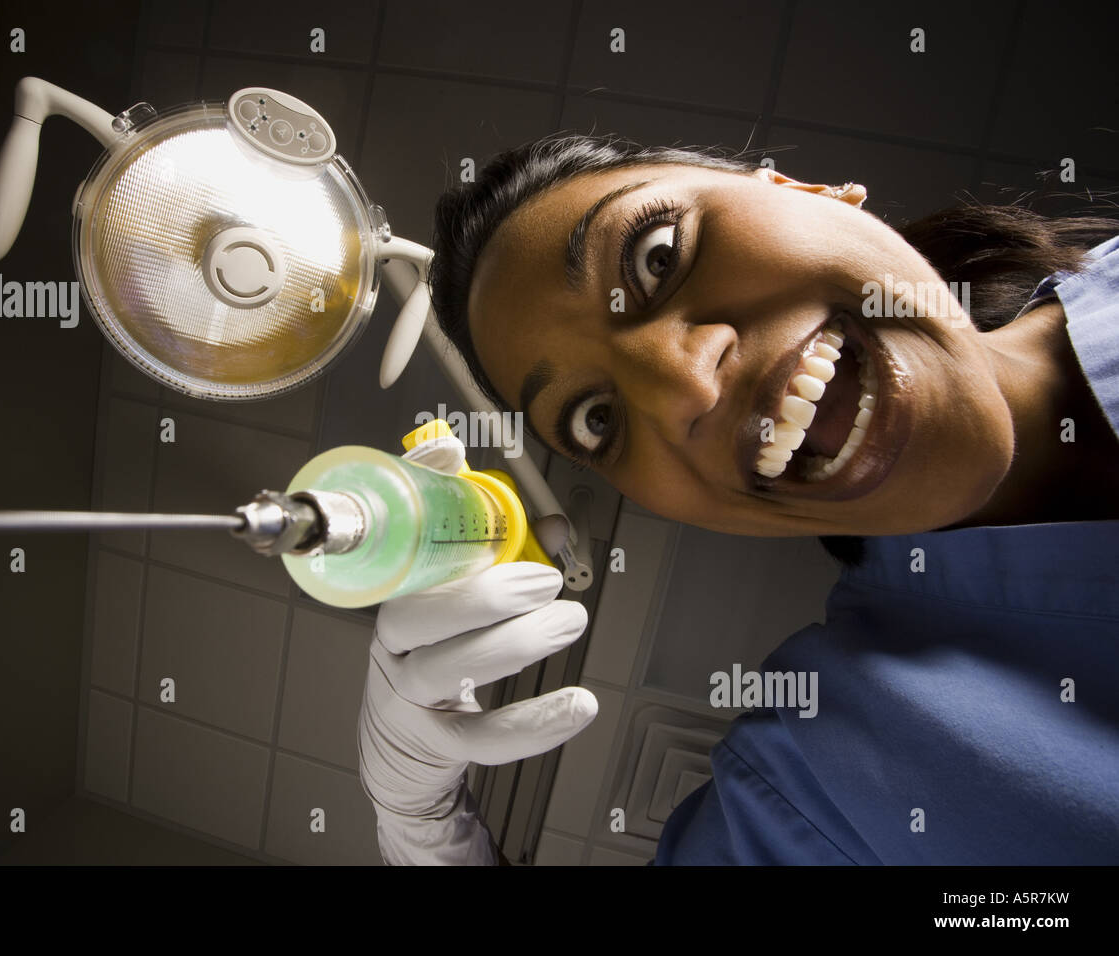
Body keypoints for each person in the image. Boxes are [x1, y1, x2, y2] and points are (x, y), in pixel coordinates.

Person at [357, 134, 1119, 865]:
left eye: (658, 256)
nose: (684, 386)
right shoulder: (819, 782)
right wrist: (419, 818)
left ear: (809, 192)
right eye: (600, 420)